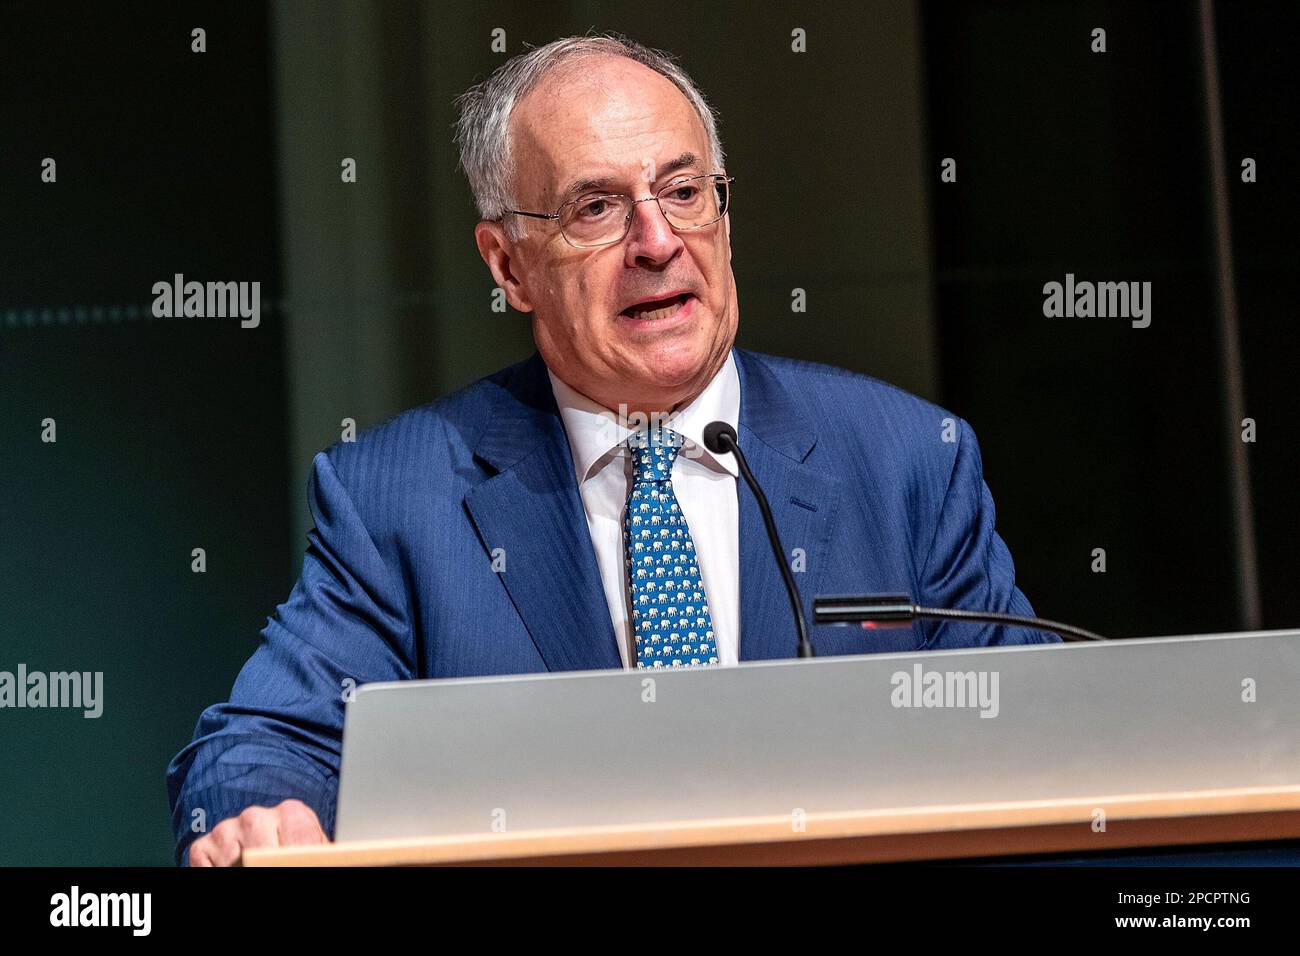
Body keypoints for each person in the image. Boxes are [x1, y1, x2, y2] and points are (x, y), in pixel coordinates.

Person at [168, 33, 1056, 867]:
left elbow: (1034, 742)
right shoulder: (399, 499)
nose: (658, 242)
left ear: (724, 213)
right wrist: (258, 813)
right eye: (595, 208)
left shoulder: (904, 459)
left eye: (683, 191)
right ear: (508, 266)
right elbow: (263, 743)